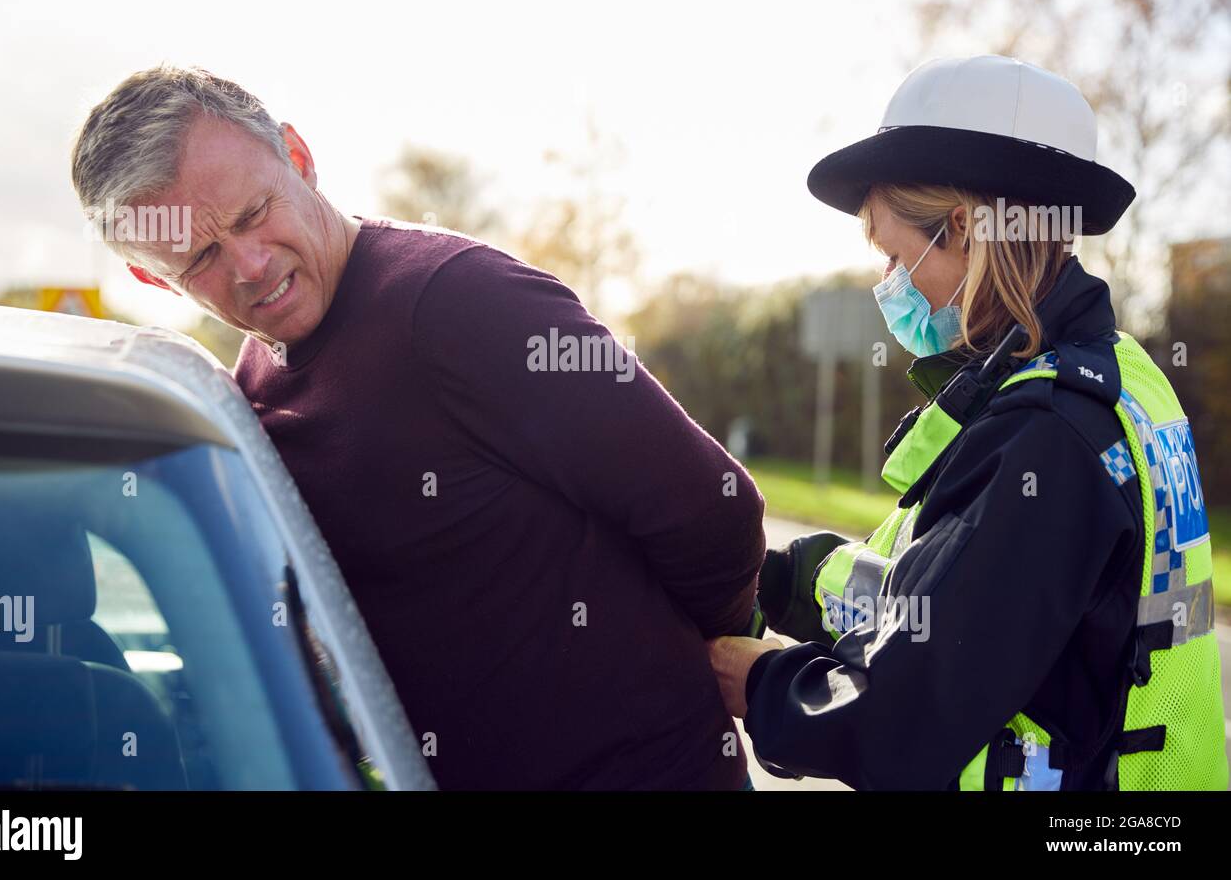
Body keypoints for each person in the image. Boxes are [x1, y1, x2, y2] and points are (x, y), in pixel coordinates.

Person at [71, 66, 766, 790]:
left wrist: (702, 655)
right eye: (202, 258)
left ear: (298, 158)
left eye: (253, 214)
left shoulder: (460, 299)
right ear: (153, 277)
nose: (249, 265)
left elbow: (712, 506)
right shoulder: (245, 393)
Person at [709, 55, 1228, 790]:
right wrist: (783, 580)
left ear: (961, 230)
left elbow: (900, 717)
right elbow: (941, 597)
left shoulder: (1047, 433)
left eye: (894, 255)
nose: (888, 286)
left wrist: (761, 682)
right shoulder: (1119, 377)